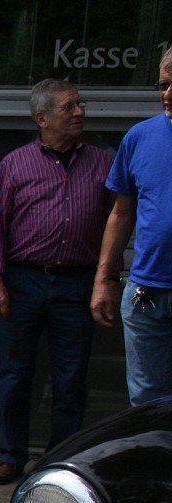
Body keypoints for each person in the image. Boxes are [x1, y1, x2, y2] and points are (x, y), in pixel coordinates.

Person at [0, 78, 115, 485]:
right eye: (69, 107)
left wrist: (107, 277)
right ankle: (11, 455)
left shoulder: (102, 163)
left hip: (77, 283)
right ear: (43, 118)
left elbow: (117, 222)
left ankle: (60, 460)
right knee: (15, 375)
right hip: (23, 281)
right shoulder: (15, 164)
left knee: (71, 378)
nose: (80, 112)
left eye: (80, 104)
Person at [91, 49, 172, 406]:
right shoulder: (139, 137)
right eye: (164, 84)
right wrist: (103, 281)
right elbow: (122, 214)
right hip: (147, 292)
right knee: (147, 404)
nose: (167, 94)